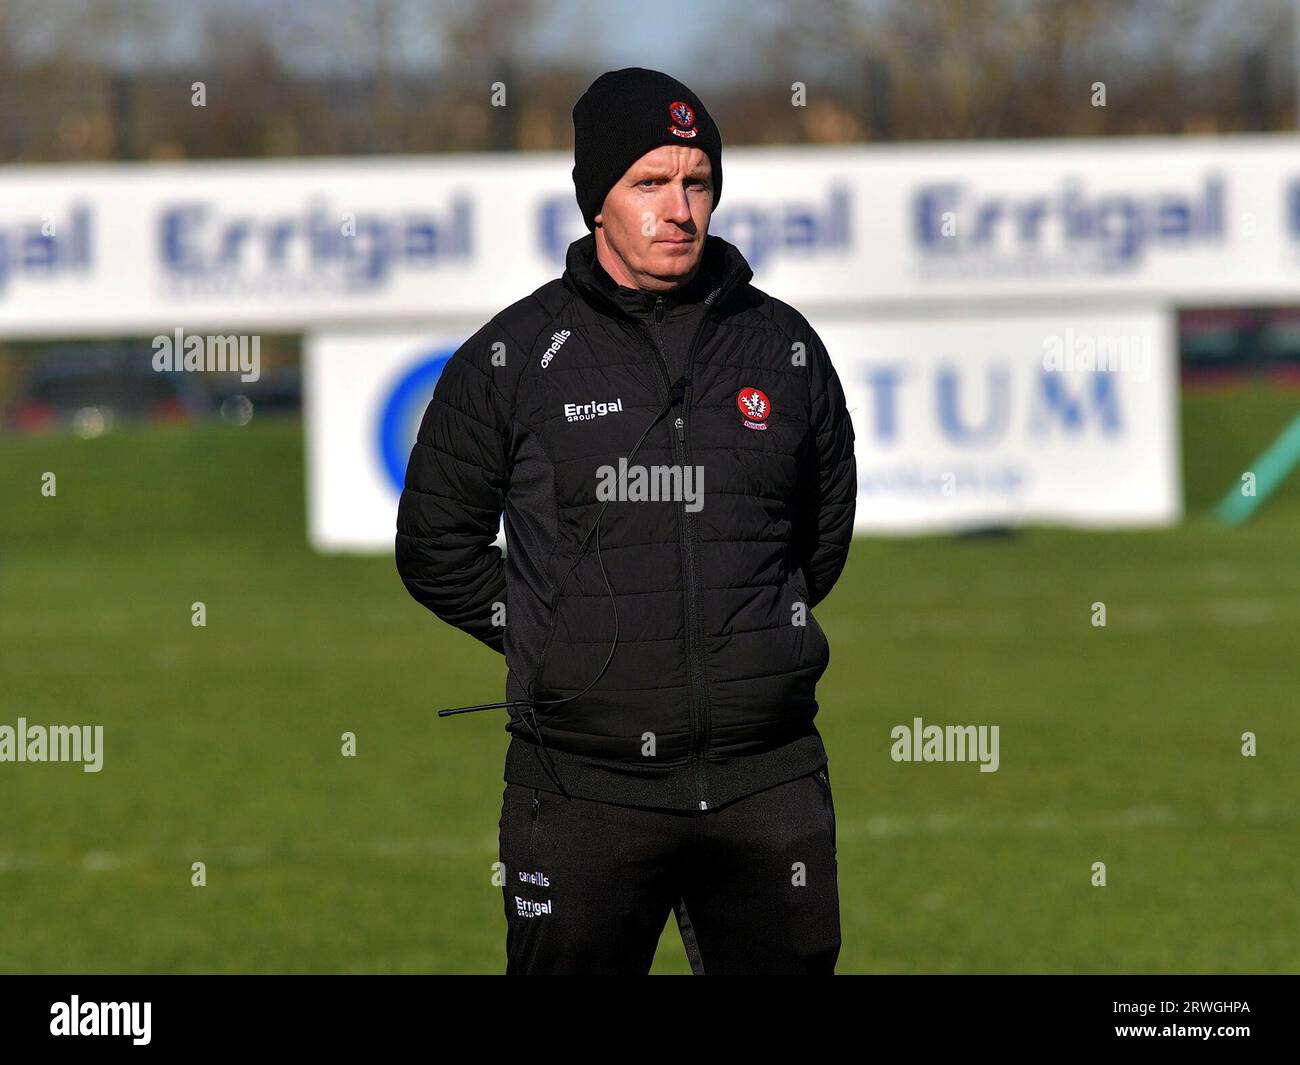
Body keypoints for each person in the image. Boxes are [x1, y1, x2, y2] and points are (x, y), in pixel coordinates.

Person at [396, 67, 856, 974]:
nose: (678, 208)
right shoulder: (513, 356)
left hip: (768, 783)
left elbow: (817, 540)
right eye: (649, 182)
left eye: (697, 181)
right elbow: (435, 548)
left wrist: (747, 639)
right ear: (595, 200)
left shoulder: (786, 346)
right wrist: (552, 635)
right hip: (580, 791)